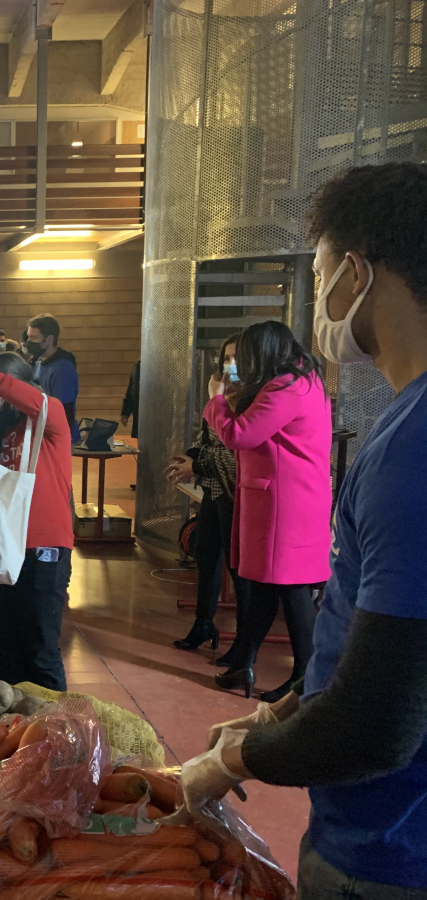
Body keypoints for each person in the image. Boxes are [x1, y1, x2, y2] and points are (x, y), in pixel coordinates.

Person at [170, 162, 427, 898]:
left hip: (389, 853)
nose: (319, 300)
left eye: (318, 277)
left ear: (355, 274)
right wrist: (283, 711)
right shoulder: (402, 422)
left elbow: (377, 723)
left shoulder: (413, 449)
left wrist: (237, 761)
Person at [206, 320, 331, 702]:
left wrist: (216, 399)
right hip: (278, 498)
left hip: (285, 503)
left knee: (291, 589)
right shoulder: (295, 379)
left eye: (243, 357)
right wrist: (228, 385)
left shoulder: (287, 387)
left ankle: (307, 676)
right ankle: (244, 659)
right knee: (264, 585)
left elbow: (239, 434)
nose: (237, 365)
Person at [0, 354, 74, 690]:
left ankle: (55, 735)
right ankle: (15, 730)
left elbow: (39, 403)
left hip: (42, 547)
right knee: (8, 650)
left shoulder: (50, 421)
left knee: (41, 652)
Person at [165, 335, 252, 657]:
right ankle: (204, 623)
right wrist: (188, 459)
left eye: (237, 359)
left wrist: (197, 465)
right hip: (213, 492)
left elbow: (236, 454)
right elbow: (208, 441)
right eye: (226, 359)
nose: (230, 367)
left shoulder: (255, 401)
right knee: (206, 556)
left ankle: (244, 641)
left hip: (239, 495)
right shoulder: (220, 396)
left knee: (239, 570)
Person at [24, 315, 81, 443]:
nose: (29, 341)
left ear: (49, 339)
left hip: (56, 436)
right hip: (41, 431)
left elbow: (65, 410)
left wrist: (58, 441)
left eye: (34, 337)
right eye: (29, 336)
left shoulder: (62, 368)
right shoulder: (39, 361)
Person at [120, 359, 141, 438]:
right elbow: (132, 390)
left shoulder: (162, 365)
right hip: (140, 413)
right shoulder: (139, 365)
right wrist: (125, 412)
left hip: (157, 415)